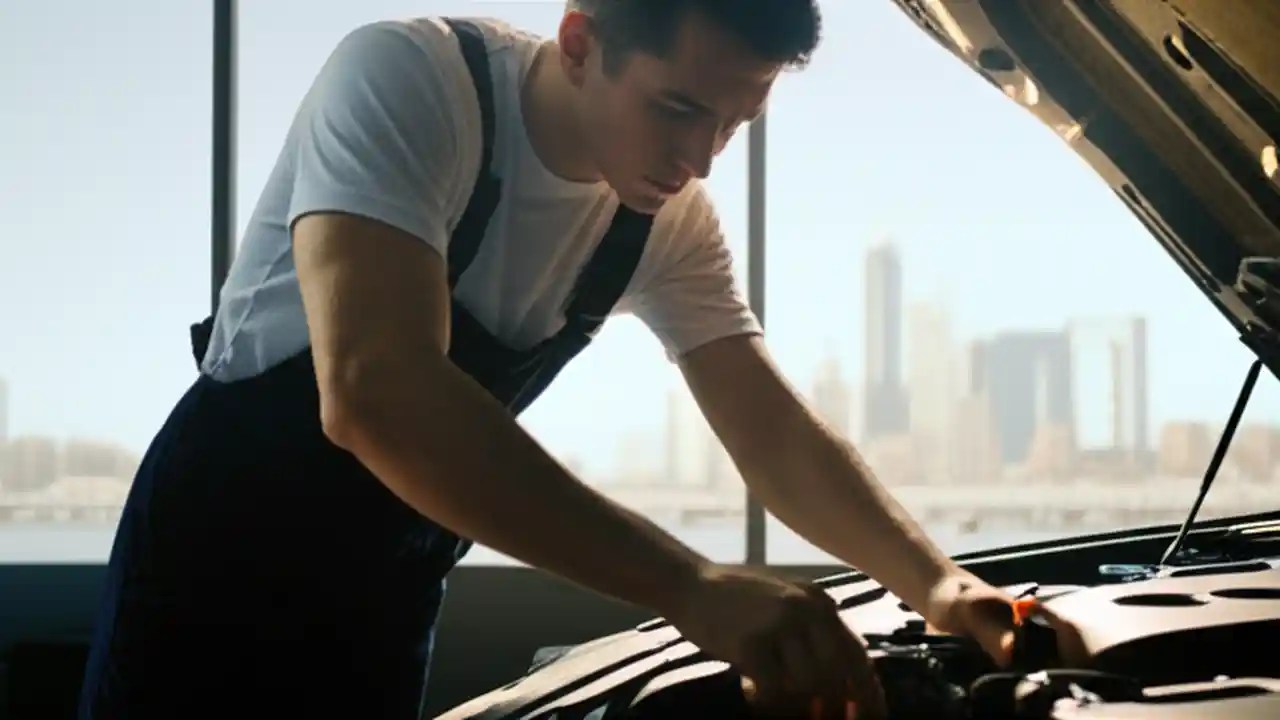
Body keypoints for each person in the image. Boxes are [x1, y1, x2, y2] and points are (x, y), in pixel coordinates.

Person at [78, 1, 1083, 718]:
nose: (698, 159)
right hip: (212, 569)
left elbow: (768, 432)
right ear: (577, 40)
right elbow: (373, 392)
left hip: (385, 593)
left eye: (734, 125)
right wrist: (691, 586)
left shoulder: (663, 220)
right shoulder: (408, 78)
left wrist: (938, 586)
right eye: (679, 108)